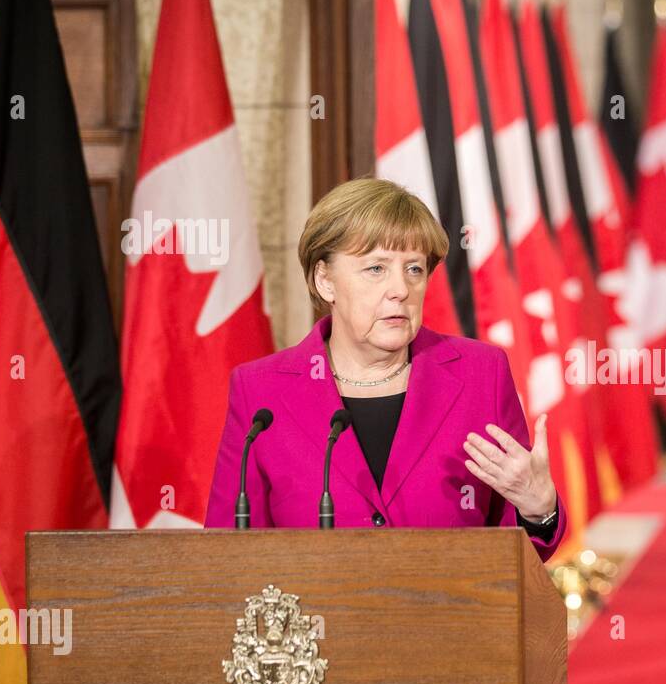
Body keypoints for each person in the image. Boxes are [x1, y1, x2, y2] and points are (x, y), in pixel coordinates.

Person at [204, 177, 565, 561]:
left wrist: (538, 509)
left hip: (449, 618)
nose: (401, 289)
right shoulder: (261, 390)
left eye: (414, 269)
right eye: (376, 269)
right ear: (324, 280)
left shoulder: (480, 375)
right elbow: (229, 555)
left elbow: (517, 562)